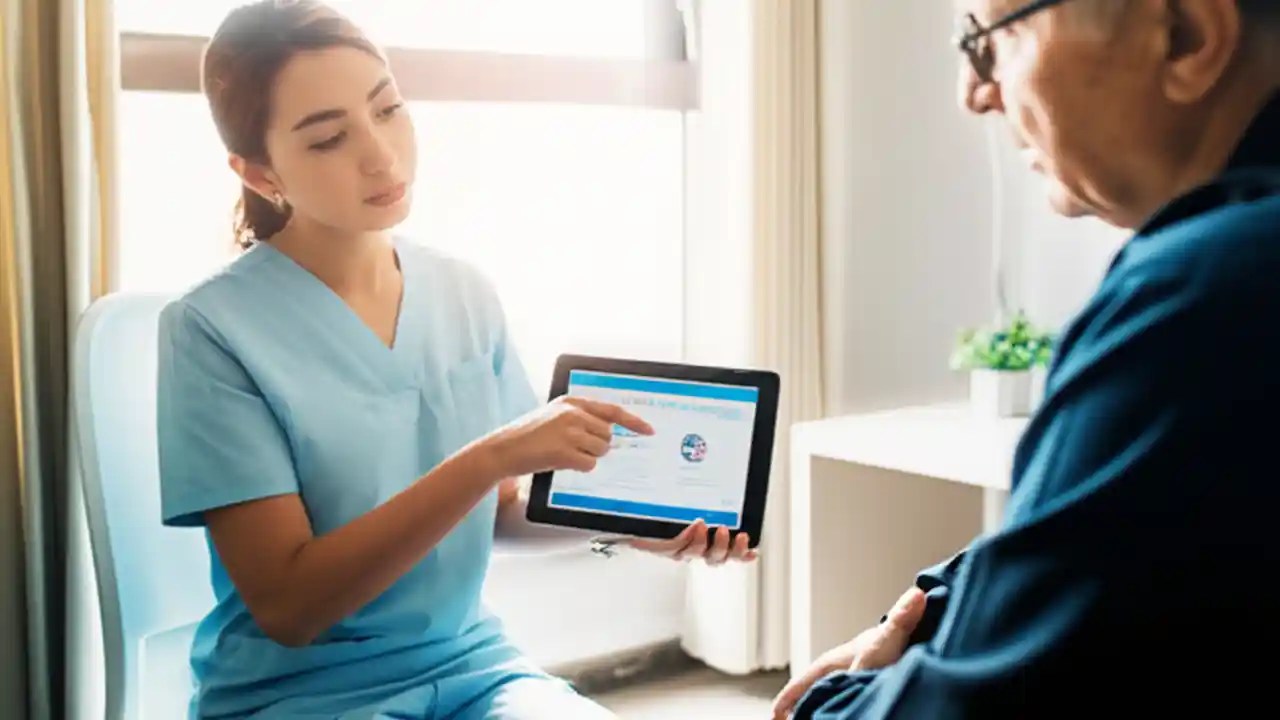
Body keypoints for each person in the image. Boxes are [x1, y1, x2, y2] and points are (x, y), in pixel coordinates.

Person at [155, 2, 754, 718]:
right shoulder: (210, 331)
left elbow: (497, 507)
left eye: (388, 110)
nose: (380, 154)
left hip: (474, 670)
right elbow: (290, 604)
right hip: (302, 696)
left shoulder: (462, 292)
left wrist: (625, 527)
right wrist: (489, 457)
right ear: (257, 172)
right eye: (328, 139)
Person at [775, 0, 1280, 717]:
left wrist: (831, 702)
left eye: (988, 40)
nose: (973, 92)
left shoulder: (1203, 294)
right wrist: (948, 609)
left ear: (1186, 36)